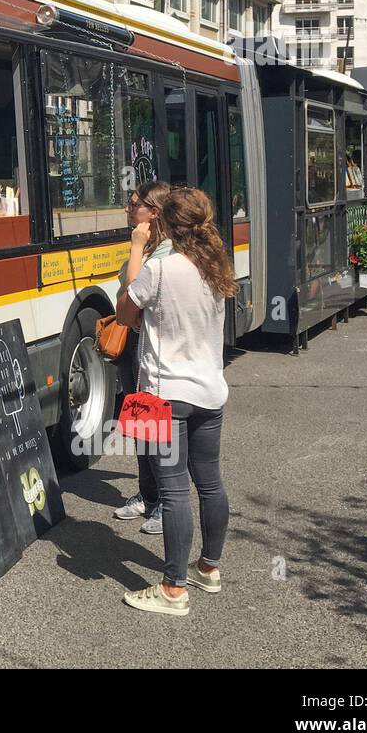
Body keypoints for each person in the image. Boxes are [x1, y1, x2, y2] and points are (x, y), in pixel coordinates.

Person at [115, 186, 237, 617]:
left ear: (165, 222)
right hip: (209, 390)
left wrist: (136, 249)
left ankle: (172, 589)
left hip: (163, 394)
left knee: (172, 489)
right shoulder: (216, 265)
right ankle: (209, 568)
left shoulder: (161, 268)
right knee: (210, 483)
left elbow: (125, 313)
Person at [111, 180, 173, 537]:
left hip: (156, 345)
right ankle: (149, 495)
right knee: (141, 422)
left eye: (135, 204)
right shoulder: (150, 245)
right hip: (137, 340)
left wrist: (136, 246)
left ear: (154, 211)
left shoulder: (165, 249)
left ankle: (166, 501)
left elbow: (135, 290)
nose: (128, 208)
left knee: (159, 426)